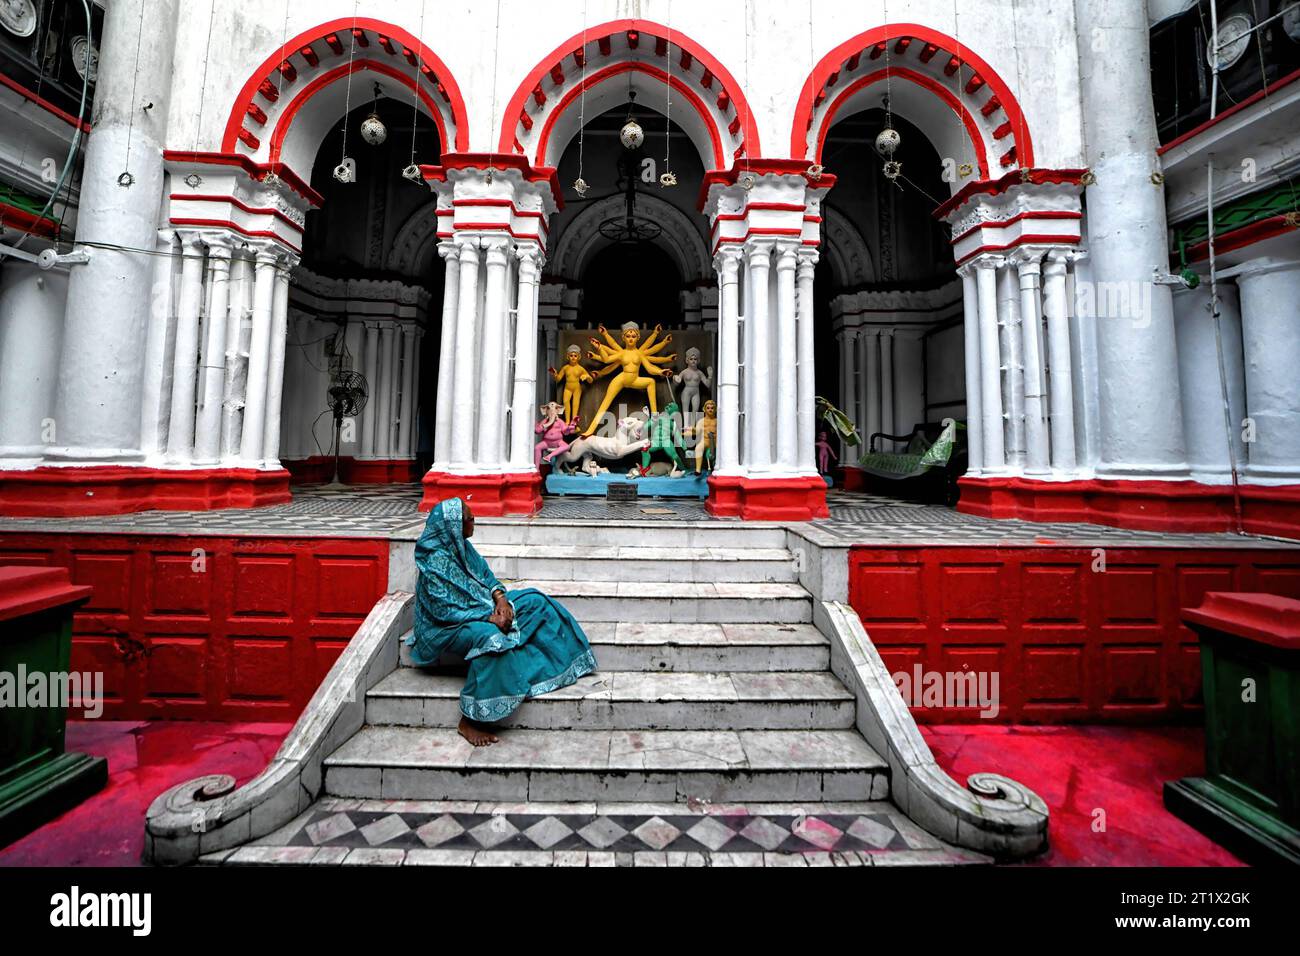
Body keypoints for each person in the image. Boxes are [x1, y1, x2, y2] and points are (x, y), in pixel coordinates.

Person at [406, 497, 597, 746]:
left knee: (535, 600)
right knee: (491, 638)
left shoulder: (460, 545)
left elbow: (485, 575)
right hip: (446, 628)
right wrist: (489, 618)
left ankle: (540, 668)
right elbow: (444, 611)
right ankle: (470, 721)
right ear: (453, 525)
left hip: (482, 608)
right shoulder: (433, 562)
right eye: (469, 519)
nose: (474, 521)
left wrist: (501, 600)